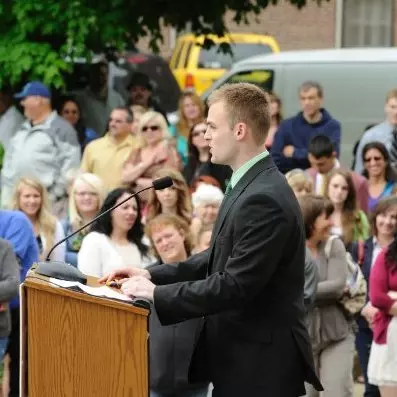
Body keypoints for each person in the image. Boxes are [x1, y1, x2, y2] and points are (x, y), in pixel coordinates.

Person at [100, 82, 322, 397]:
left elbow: (235, 285)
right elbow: (216, 256)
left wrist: (156, 294)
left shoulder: (265, 197)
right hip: (240, 361)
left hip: (260, 369)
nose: (205, 135)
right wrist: (151, 273)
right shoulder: (249, 183)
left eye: (213, 127)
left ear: (240, 130)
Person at [145, 214, 210, 397]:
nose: (165, 242)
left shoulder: (205, 273)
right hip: (155, 382)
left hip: (195, 382)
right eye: (159, 240)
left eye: (168, 235)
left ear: (182, 234)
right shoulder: (144, 278)